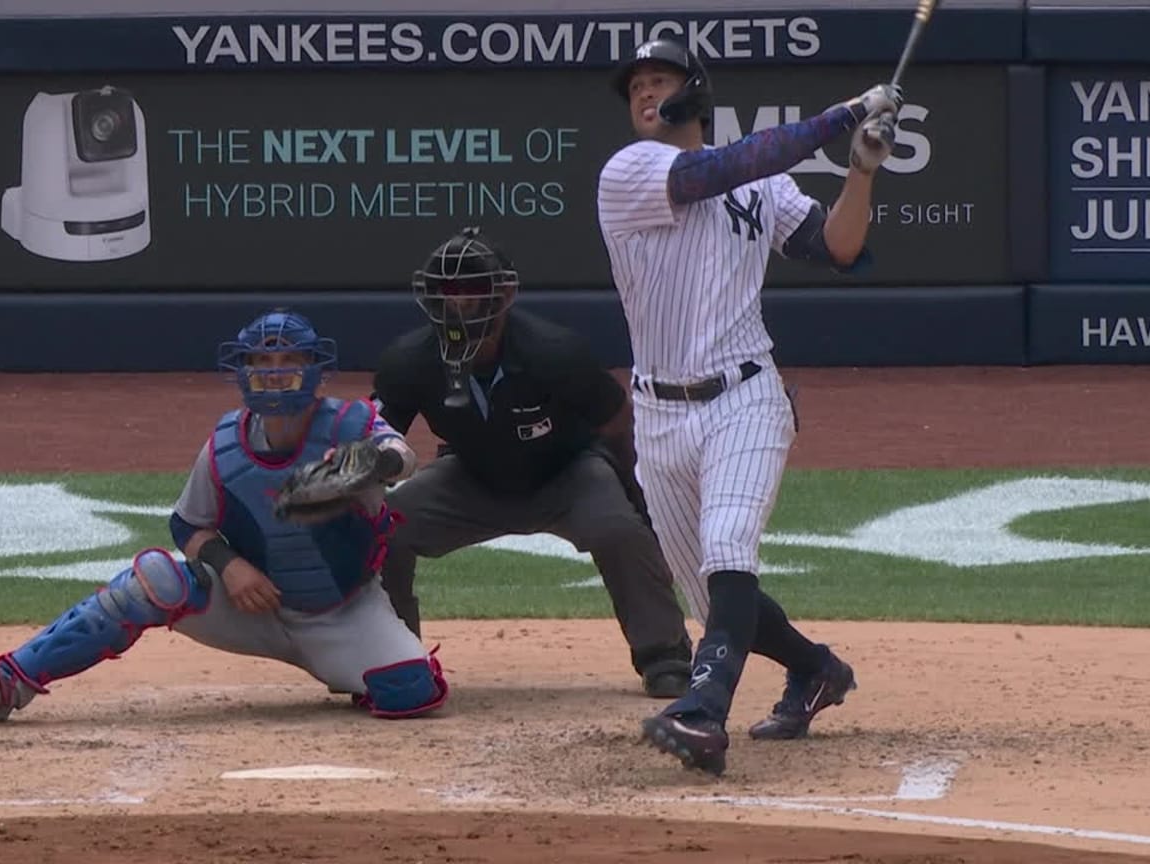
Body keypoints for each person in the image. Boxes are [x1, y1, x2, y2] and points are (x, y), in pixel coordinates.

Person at [595, 39, 902, 774]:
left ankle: (704, 714)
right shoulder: (628, 172)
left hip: (745, 395)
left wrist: (861, 170)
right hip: (659, 415)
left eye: (658, 79)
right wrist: (845, 114)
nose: (643, 93)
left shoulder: (761, 189)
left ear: (692, 90)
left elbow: (838, 247)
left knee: (730, 547)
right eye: (635, 84)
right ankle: (817, 669)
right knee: (713, 599)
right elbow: (718, 170)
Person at [0, 309, 449, 723]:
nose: (275, 374)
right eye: (262, 363)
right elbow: (187, 524)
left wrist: (371, 462)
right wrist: (228, 565)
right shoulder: (226, 443)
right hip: (253, 609)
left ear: (315, 371)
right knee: (153, 580)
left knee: (412, 690)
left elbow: (402, 456)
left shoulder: (351, 424)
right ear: (244, 372)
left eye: (288, 362)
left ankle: (350, 670)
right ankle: (10, 679)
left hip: (343, 612)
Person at [371, 226, 694, 699]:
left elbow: (618, 421)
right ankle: (392, 658)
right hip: (472, 475)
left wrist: (640, 500)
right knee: (387, 527)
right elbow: (378, 433)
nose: (458, 305)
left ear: (504, 295)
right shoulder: (408, 361)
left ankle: (664, 653)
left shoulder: (555, 351)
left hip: (567, 473)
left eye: (472, 293)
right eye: (448, 294)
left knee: (619, 529)